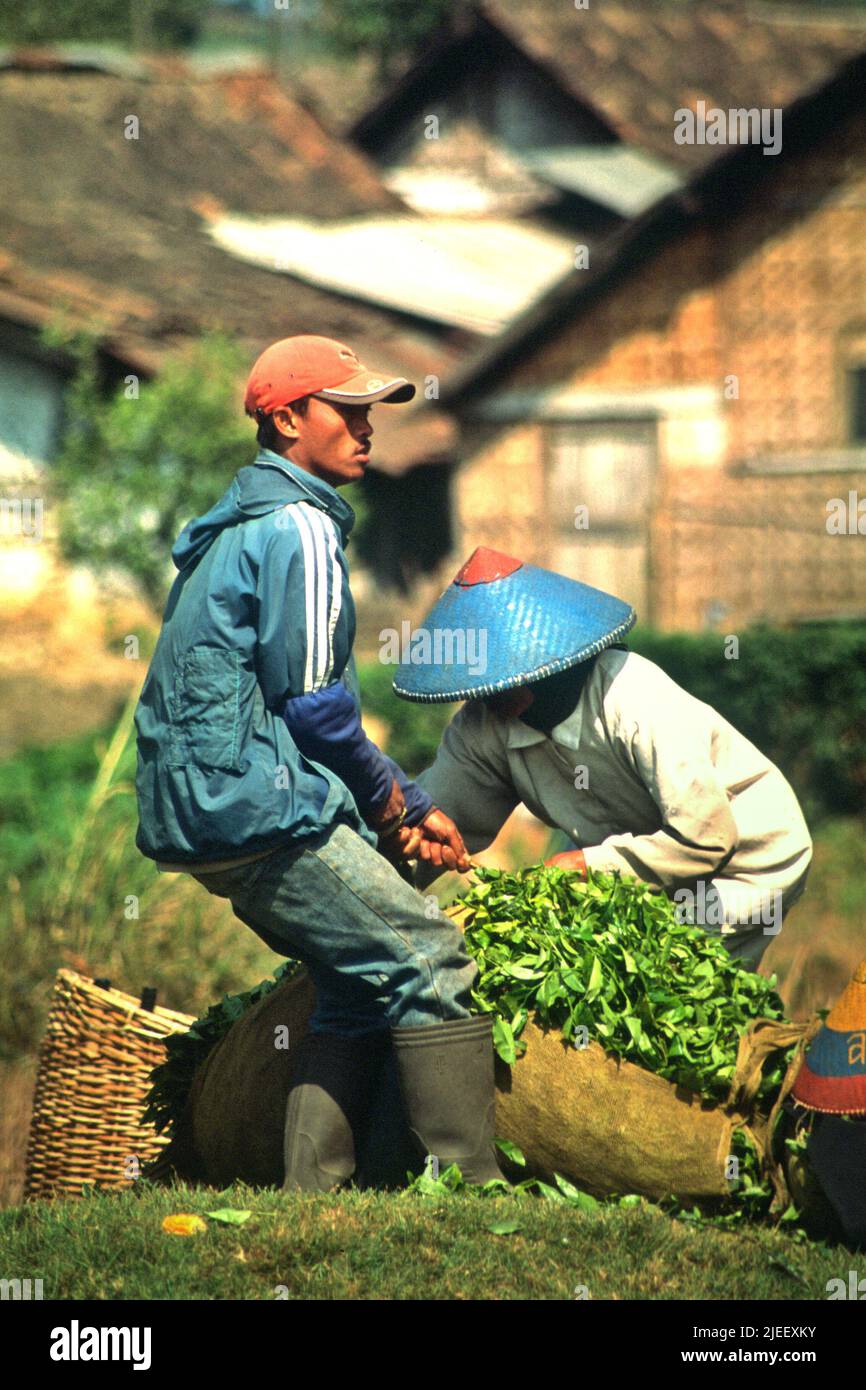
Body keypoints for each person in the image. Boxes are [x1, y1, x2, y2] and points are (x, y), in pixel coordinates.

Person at [133, 336, 507, 1192]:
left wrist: (402, 803)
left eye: (370, 411)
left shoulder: (233, 527)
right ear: (287, 418)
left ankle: (319, 1201)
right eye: (347, 411)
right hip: (253, 810)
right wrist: (397, 808)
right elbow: (316, 711)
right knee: (428, 957)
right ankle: (474, 1197)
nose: (368, 429)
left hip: (200, 813)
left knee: (354, 980)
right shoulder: (297, 527)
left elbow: (292, 710)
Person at [397, 546, 813, 970]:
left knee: (678, 985)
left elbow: (706, 838)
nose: (479, 695)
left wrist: (584, 865)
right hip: (645, 869)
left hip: (746, 860)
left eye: (491, 679)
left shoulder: (633, 697)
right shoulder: (483, 724)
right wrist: (403, 847)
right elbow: (437, 816)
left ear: (536, 665)